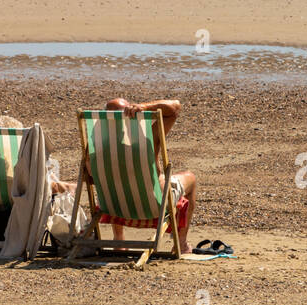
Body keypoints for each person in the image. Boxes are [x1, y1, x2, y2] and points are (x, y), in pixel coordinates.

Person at [51, 97, 199, 256]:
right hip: (153, 206)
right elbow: (175, 108)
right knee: (190, 177)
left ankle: (118, 240)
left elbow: (91, 180)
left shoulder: (94, 149)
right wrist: (143, 107)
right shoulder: (147, 141)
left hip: (112, 205)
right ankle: (181, 244)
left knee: (116, 183)